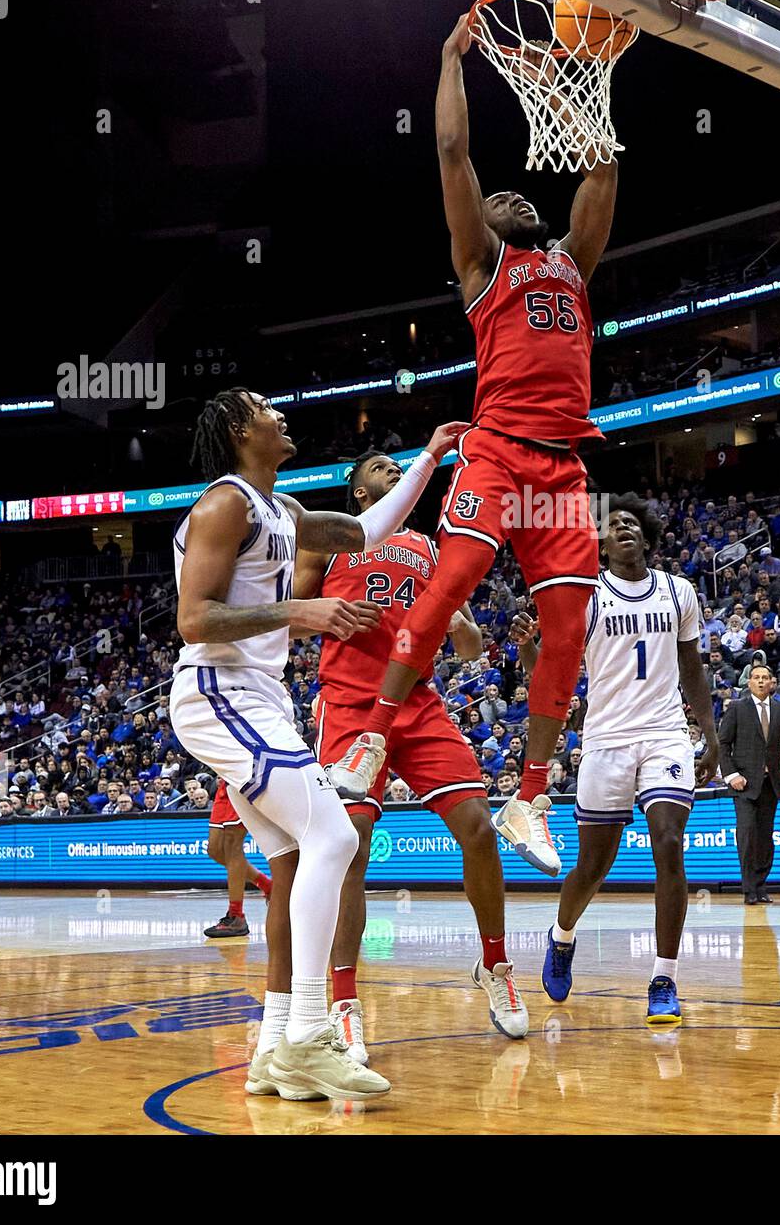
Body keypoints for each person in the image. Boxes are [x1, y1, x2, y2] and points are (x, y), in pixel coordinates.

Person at [326, 13, 621, 882]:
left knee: (571, 626)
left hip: (562, 465)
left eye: (524, 197)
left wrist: (582, 74)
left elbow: (601, 167)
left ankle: (529, 793)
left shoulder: (572, 264)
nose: (516, 200)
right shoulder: (483, 264)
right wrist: (453, 61)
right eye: (504, 200)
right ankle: (371, 742)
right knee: (450, 580)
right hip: (494, 453)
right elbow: (454, 155)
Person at [171, 385, 464, 1101]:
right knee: (336, 839)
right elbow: (195, 619)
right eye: (267, 407)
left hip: (260, 698)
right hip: (219, 692)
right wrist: (300, 608)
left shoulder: (286, 511)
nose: (282, 414)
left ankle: (272, 1051)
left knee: (302, 855)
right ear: (241, 428)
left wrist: (428, 460)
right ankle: (309, 1032)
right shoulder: (225, 503)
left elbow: (365, 532)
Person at [293, 448, 527, 1053]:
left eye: (398, 464)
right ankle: (343, 1000)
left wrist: (458, 625)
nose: (392, 469)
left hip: (416, 703)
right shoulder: (329, 542)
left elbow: (471, 648)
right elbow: (290, 620)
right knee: (350, 849)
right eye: (378, 467)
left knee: (478, 827)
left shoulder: (428, 547)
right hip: (347, 704)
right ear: (358, 492)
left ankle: (496, 966)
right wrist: (327, 615)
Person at [518, 496, 719, 1025]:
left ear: (647, 538)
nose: (623, 529)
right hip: (605, 738)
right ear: (600, 545)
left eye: (632, 523)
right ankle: (562, 938)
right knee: (593, 866)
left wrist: (711, 733)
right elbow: (554, 676)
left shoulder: (679, 592)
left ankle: (663, 978)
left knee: (670, 845)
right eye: (613, 525)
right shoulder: (585, 601)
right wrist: (524, 651)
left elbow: (693, 668)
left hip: (665, 734)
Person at [718, 663, 780, 904]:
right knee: (746, 835)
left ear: (771, 682)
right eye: (756, 677)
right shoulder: (737, 708)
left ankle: (760, 885)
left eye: (765, 678)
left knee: (765, 838)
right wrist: (731, 775)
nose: (760, 681)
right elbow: (723, 745)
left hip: (771, 784)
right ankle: (748, 889)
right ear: (749, 682)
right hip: (744, 785)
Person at [203, 777, 274, 939]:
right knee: (214, 850)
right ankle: (268, 886)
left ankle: (236, 916)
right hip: (224, 781)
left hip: (242, 778)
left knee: (232, 845)